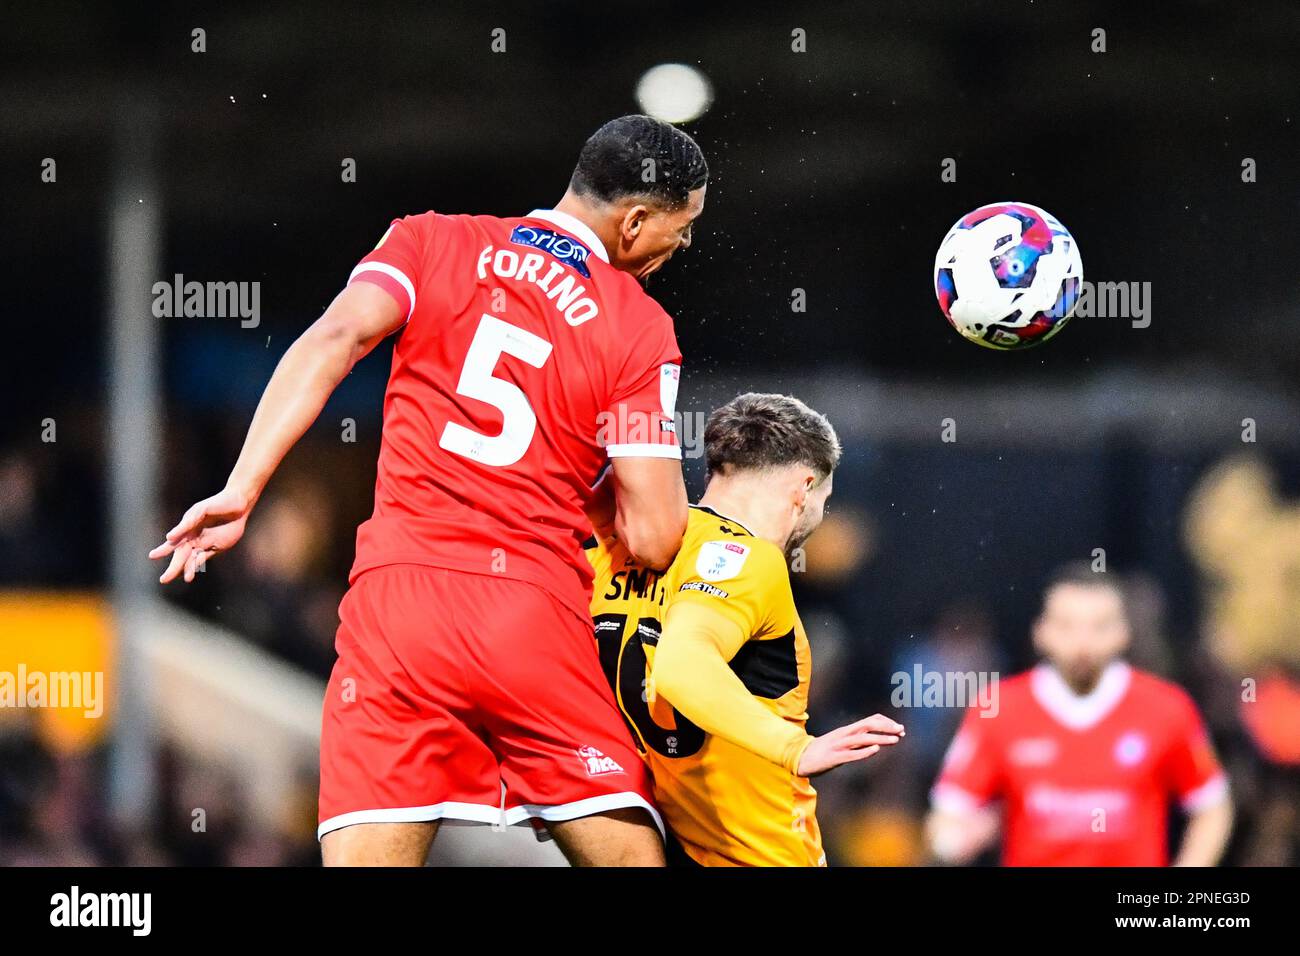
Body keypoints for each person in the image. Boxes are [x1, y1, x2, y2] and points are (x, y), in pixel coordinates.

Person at [151, 115, 708, 866]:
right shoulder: (639, 327)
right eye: (683, 227)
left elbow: (333, 339)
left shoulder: (427, 240)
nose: (683, 247)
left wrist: (242, 488)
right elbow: (653, 536)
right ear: (634, 221)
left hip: (397, 613)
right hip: (530, 618)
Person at [587, 393, 906, 866]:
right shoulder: (748, 559)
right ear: (804, 487)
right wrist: (796, 748)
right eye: (825, 498)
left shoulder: (619, 546)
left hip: (664, 840)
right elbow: (680, 666)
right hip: (758, 855)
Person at [926, 563, 1233, 866]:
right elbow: (947, 813)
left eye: (1099, 626)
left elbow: (1212, 807)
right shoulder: (998, 708)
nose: (1082, 643)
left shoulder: (1167, 707)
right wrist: (957, 840)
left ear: (1123, 633)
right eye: (1067, 625)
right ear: (1040, 631)